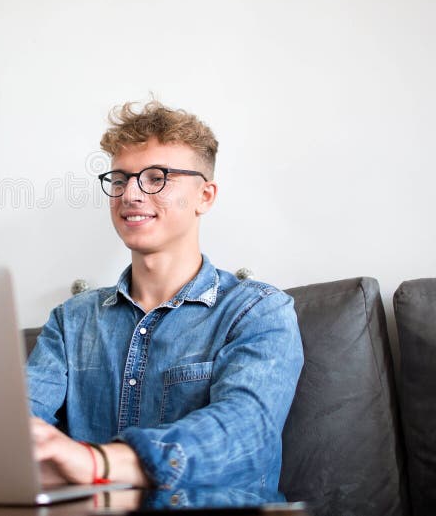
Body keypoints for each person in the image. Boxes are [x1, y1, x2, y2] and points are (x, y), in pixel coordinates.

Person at [27, 99, 304, 493]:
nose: (131, 195)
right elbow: (20, 423)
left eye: (156, 178)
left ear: (204, 196)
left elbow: (245, 430)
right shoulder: (71, 320)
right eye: (120, 179)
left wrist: (96, 463)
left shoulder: (258, 311)